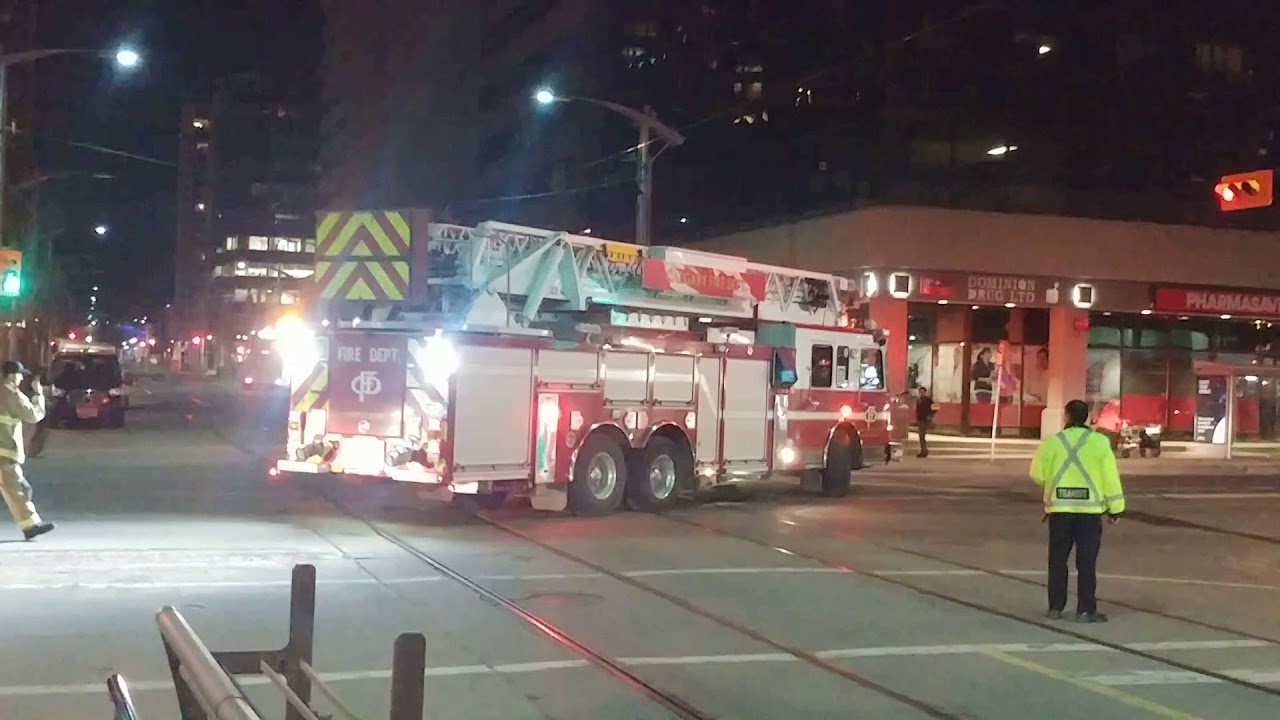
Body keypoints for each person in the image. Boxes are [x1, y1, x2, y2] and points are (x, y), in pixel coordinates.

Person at [1030, 399, 1124, 622]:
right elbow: (1110, 478)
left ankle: (1055, 608)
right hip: (1089, 514)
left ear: (1066, 416)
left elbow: (1037, 474)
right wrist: (1116, 509)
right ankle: (1085, 610)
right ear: (1087, 418)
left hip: (1060, 511)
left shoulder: (1052, 442)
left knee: (1057, 560)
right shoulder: (1100, 443)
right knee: (1087, 562)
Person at [0, 360, 54, 540]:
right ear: (11, 375)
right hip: (4, 453)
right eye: (20, 375)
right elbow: (33, 415)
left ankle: (30, 525)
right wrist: (38, 395)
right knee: (18, 490)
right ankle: (30, 526)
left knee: (18, 489)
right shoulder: (10, 393)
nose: (21, 379)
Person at [915, 386, 936, 458]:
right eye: (920, 391)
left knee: (922, 435)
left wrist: (930, 415)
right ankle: (923, 450)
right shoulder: (919, 400)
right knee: (921, 436)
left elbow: (935, 407)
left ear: (925, 392)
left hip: (925, 419)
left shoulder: (927, 400)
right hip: (920, 419)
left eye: (922, 391)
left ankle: (924, 451)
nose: (921, 393)